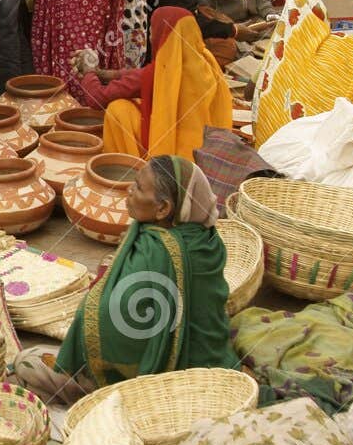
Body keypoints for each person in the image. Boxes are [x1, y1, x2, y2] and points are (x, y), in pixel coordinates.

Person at [53, 156, 236, 387]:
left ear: (163, 208)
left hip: (167, 380)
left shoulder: (157, 250)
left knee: (28, 363)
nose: (130, 190)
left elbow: (111, 316)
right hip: (213, 357)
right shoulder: (208, 241)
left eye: (138, 187)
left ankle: (94, 387)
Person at [250, 0, 353, 147]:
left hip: (272, 145)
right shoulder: (342, 44)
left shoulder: (277, 52)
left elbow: (248, 92)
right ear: (322, 18)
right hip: (325, 144)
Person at [79, 1, 233, 158]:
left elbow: (96, 98)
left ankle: (128, 165)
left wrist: (88, 71)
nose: (151, 37)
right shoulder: (206, 62)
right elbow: (144, 74)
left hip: (172, 157)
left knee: (118, 110)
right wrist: (104, 74)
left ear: (163, 36)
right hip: (208, 150)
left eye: (152, 32)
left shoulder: (159, 74)